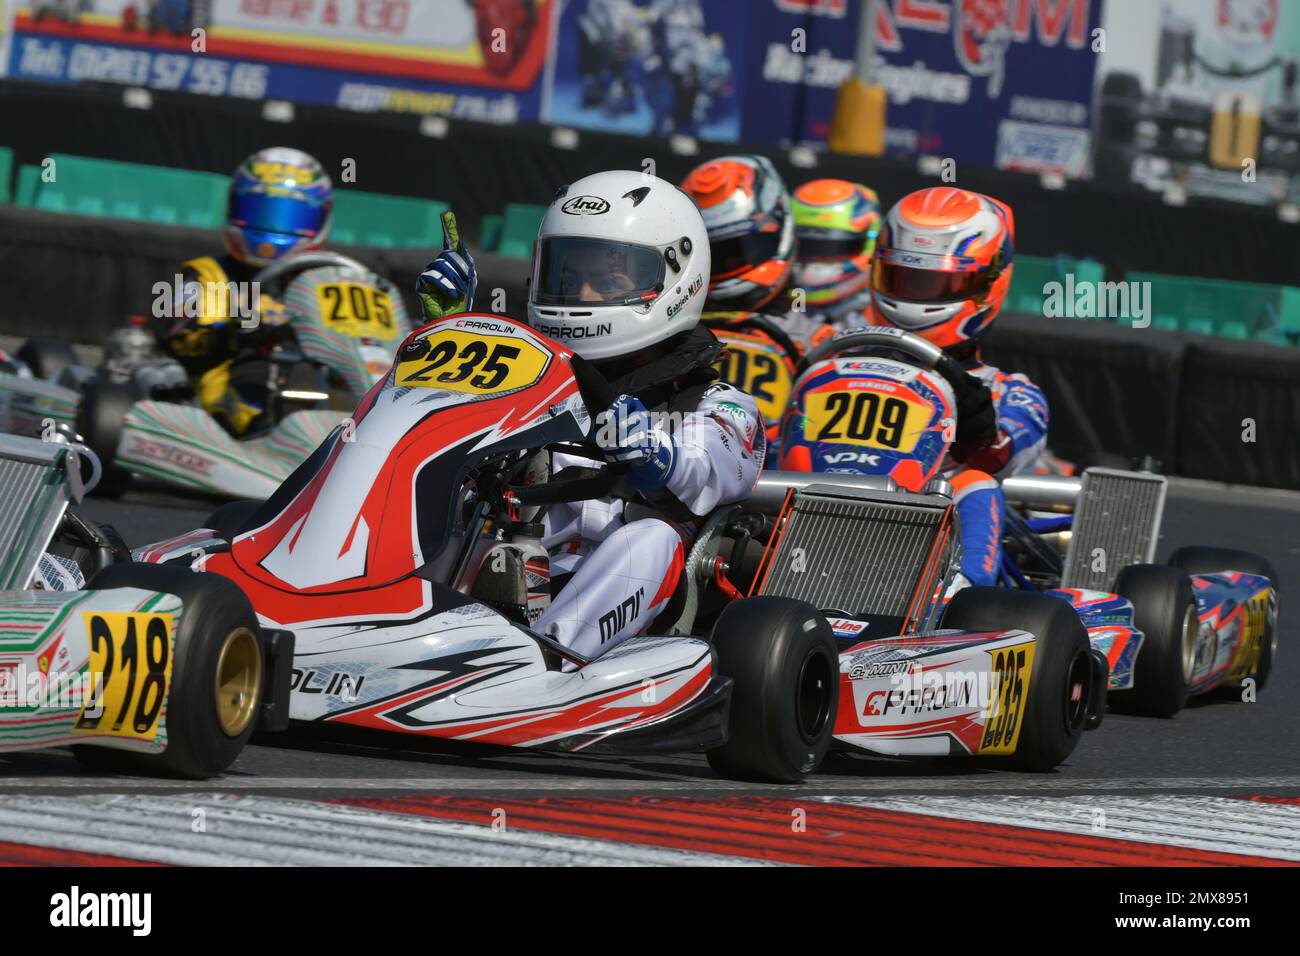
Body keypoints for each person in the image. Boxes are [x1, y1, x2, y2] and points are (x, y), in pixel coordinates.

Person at [525, 169, 765, 661]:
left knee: (651, 537)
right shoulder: (525, 375)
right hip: (515, 567)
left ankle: (546, 662)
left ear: (675, 280)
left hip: (625, 604)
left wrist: (657, 453)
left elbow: (709, 466)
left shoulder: (713, 401)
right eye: (569, 276)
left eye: (607, 279)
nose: (585, 296)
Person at [156, 146, 473, 437]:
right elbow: (185, 339)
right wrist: (245, 322)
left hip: (329, 393)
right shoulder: (208, 273)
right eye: (261, 212)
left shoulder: (336, 281)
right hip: (239, 387)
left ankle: (392, 427)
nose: (273, 228)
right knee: (269, 399)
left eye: (291, 216)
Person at [864, 186, 1048, 588]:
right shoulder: (833, 359)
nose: (917, 298)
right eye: (905, 280)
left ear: (988, 284)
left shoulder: (1010, 393)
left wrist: (977, 429)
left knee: (973, 483)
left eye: (940, 285)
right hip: (820, 507)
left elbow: (999, 455)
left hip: (929, 538)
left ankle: (961, 598)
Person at [789, 178, 881, 330]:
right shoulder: (784, 299)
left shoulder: (878, 311)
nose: (816, 259)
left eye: (830, 249)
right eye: (807, 247)